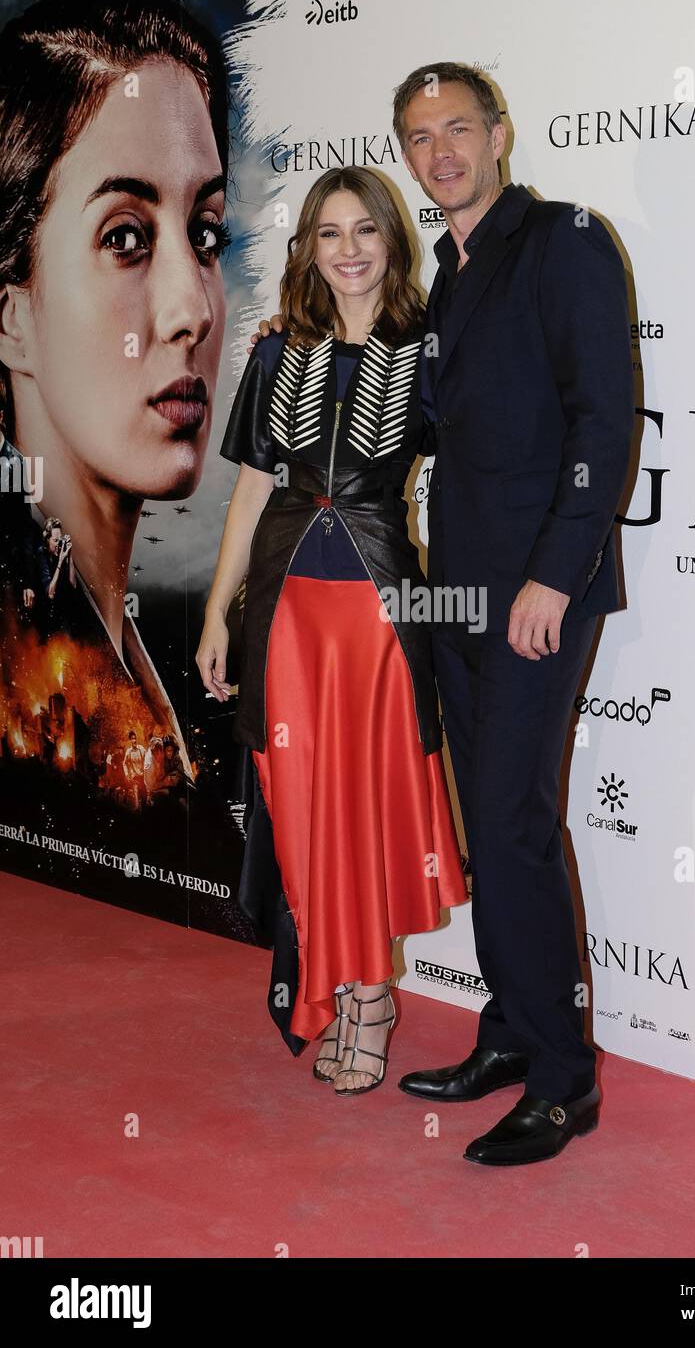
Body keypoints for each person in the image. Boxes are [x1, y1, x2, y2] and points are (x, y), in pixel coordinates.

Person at [389, 63, 635, 1164]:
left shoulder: (564, 240)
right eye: (416, 136)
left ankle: (563, 1080)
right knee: (492, 830)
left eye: (455, 129)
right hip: (458, 586)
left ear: (498, 135)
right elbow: (436, 428)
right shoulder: (447, 271)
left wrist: (554, 574)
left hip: (539, 589)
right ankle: (509, 1030)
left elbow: (603, 421)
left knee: (514, 821)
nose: (437, 152)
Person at [197, 166, 468, 1095]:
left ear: (392, 241)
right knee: (306, 809)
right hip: (287, 613)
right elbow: (253, 489)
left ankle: (369, 996)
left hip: (381, 614)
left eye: (366, 232)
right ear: (308, 248)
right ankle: (339, 982)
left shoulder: (429, 349)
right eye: (329, 234)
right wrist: (217, 609)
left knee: (366, 808)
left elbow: (475, 471)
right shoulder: (278, 353)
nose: (349, 251)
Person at [0, 0, 230, 783]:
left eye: (205, 234)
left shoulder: (121, 644)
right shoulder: (28, 672)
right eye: (126, 236)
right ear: (11, 316)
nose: (192, 309)